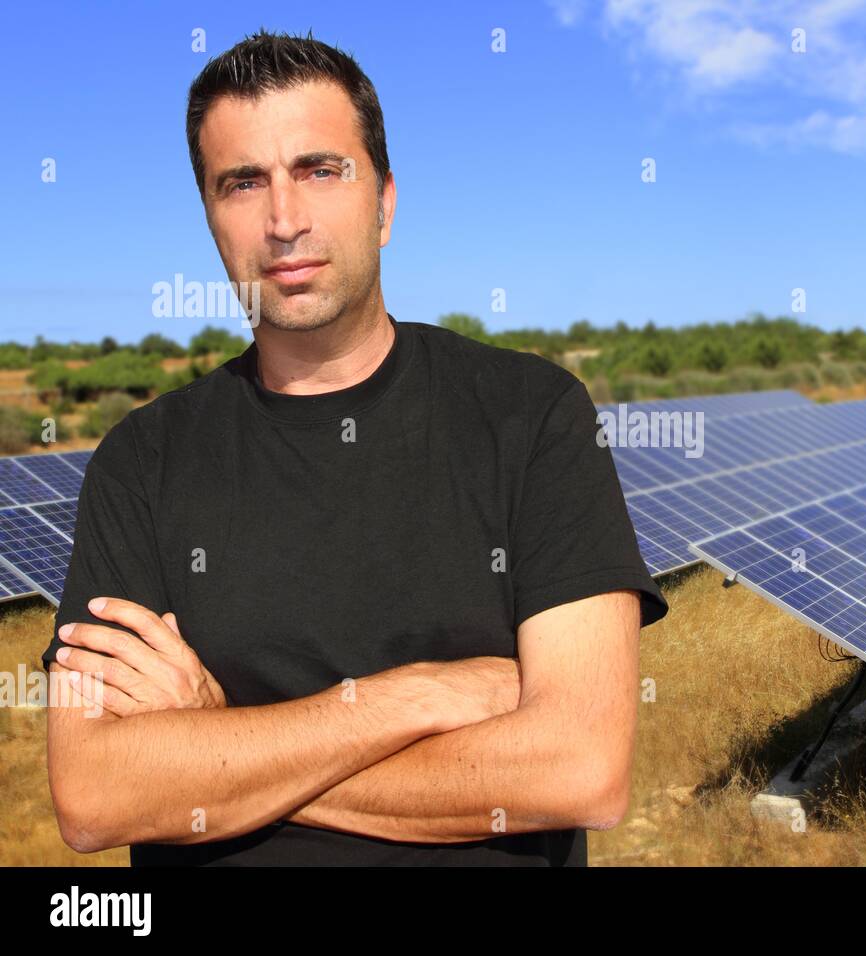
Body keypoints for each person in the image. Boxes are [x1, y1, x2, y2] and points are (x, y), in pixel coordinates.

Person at [42, 29, 667, 866]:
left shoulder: (533, 416)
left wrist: (216, 745)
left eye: (320, 170)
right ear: (210, 218)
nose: (284, 221)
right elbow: (94, 795)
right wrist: (416, 697)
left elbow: (579, 769)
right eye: (243, 183)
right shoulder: (141, 462)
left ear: (385, 203)